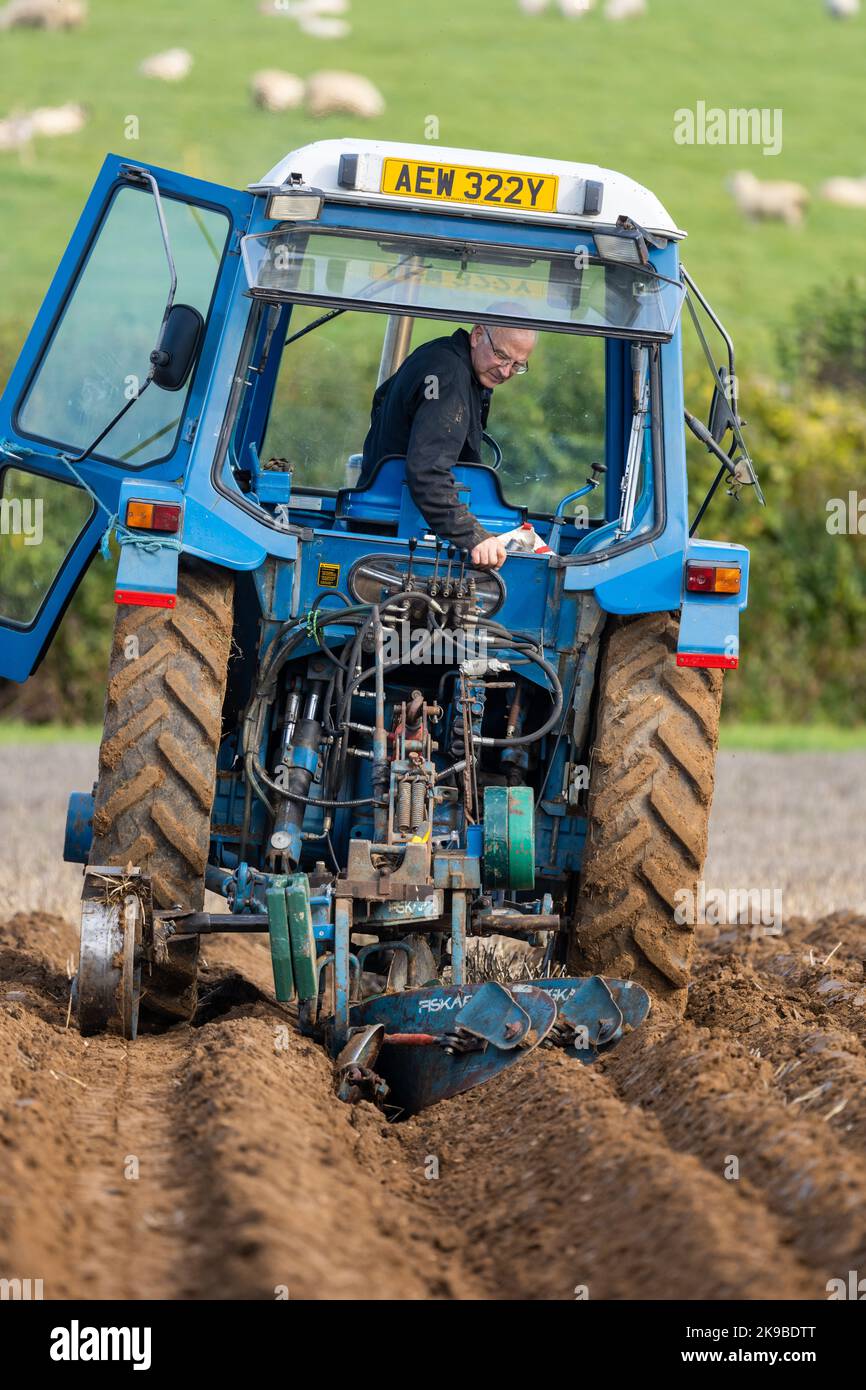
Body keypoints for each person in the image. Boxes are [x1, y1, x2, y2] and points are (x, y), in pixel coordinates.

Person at [359, 315, 538, 569]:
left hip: (390, 522)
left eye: (517, 365)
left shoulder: (439, 354)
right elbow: (427, 471)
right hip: (395, 536)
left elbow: (381, 400)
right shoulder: (450, 378)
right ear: (477, 335)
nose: (505, 371)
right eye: (501, 356)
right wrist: (474, 537)